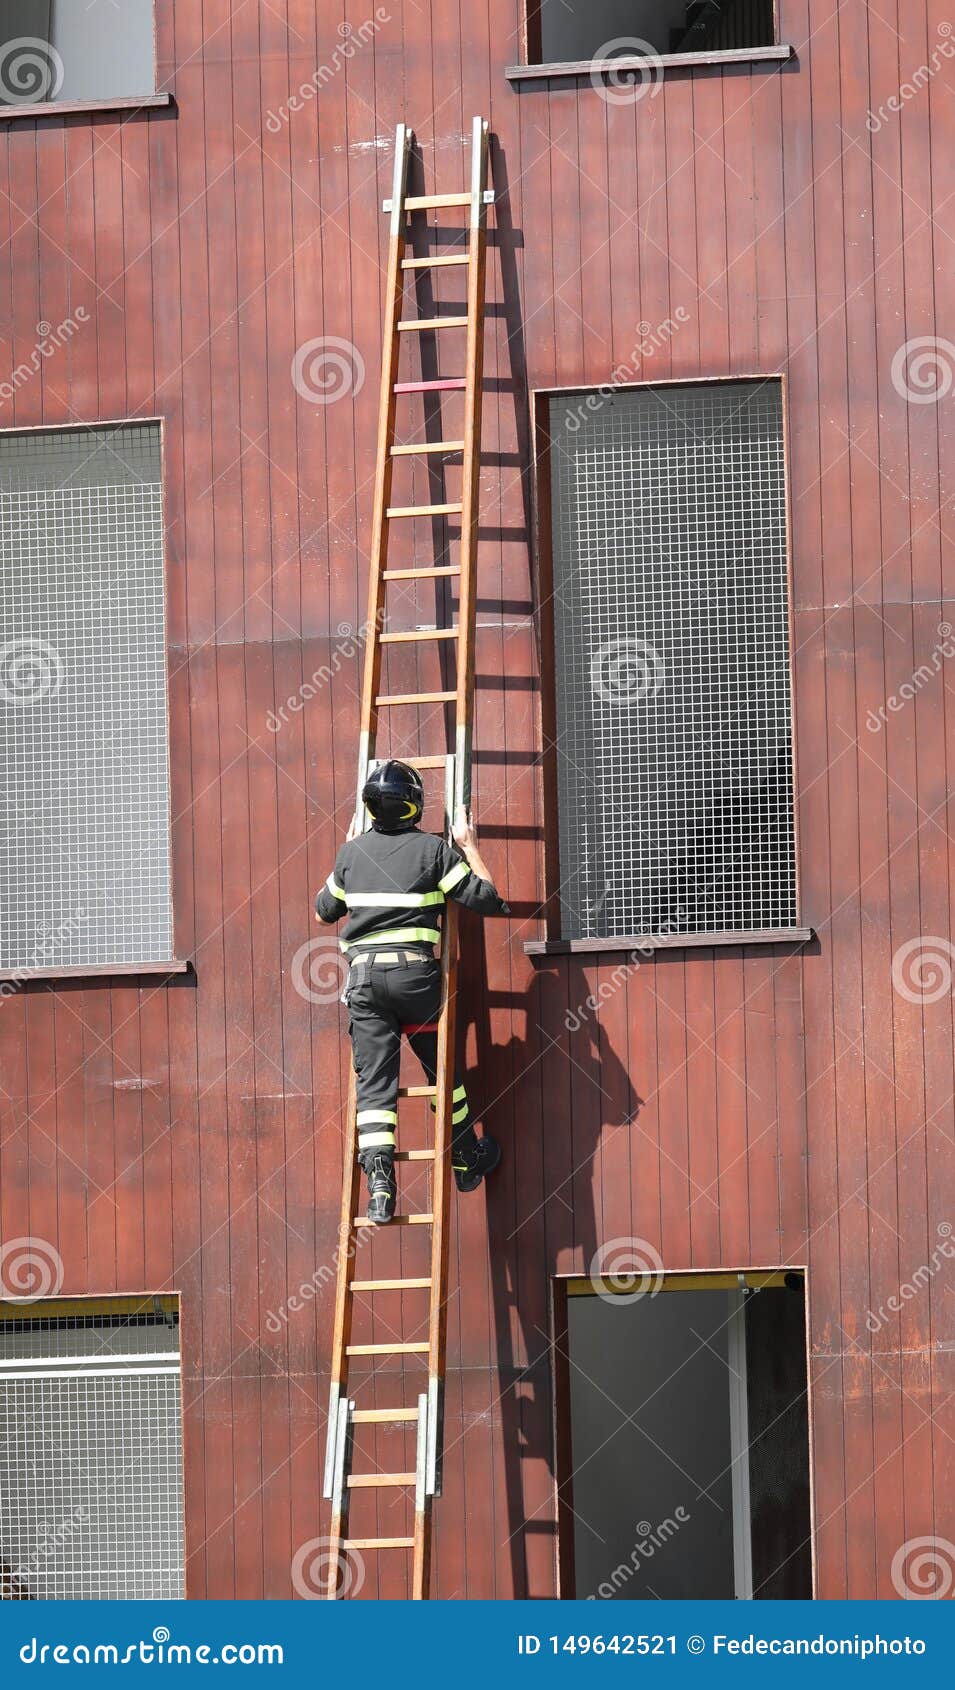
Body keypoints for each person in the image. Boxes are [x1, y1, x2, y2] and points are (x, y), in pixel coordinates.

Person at [315, 760, 509, 1223]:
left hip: (364, 985)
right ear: (415, 804)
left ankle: (380, 1189)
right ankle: (465, 1159)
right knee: (442, 1074)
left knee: (375, 1087)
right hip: (415, 983)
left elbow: (324, 911)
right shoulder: (432, 851)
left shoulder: (350, 855)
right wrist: (468, 845)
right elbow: (488, 899)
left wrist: (347, 846)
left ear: (369, 808)